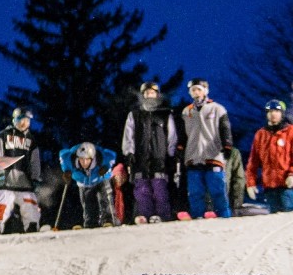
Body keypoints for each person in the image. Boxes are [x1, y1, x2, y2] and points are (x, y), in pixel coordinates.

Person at [121, 81, 177, 223]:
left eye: (152, 93)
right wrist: (129, 153)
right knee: (142, 190)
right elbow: (129, 135)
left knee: (160, 189)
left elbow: (172, 136)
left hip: (159, 158)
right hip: (140, 158)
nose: (149, 96)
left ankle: (162, 215)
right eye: (146, 93)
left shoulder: (165, 114)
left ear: (157, 95)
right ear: (142, 95)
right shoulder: (135, 114)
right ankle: (145, 215)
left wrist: (171, 154)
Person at [178, 78, 233, 219]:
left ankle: (224, 217)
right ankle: (197, 217)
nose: (196, 93)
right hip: (193, 156)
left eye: (199, 90)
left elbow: (225, 128)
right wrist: (180, 148)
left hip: (213, 154)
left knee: (218, 190)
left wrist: (227, 145)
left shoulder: (217, 108)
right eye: (193, 90)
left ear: (205, 91)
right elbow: (182, 134)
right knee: (195, 192)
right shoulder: (186, 111)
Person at [0, 107, 42, 234]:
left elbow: (35, 161)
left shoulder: (31, 140)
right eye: (22, 120)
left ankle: (32, 225)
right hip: (6, 181)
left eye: (28, 121)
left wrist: (35, 178)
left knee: (30, 205)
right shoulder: (3, 136)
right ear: (15, 120)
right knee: (2, 202)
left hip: (24, 183)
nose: (25, 123)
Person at [245, 99, 293, 213]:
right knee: (273, 221)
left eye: (276, 111)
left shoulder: (290, 131)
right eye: (270, 111)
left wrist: (292, 173)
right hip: (269, 187)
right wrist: (250, 183)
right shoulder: (260, 134)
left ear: (282, 113)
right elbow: (253, 161)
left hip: (287, 185)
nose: (273, 114)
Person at [60, 142, 118, 228]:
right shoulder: (69, 160)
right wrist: (66, 171)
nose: (84, 162)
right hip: (84, 182)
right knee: (87, 202)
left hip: (101, 178)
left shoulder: (102, 158)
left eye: (87, 159)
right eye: (81, 159)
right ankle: (90, 222)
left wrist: (106, 167)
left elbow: (112, 157)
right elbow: (63, 158)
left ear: (92, 158)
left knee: (105, 199)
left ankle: (108, 220)